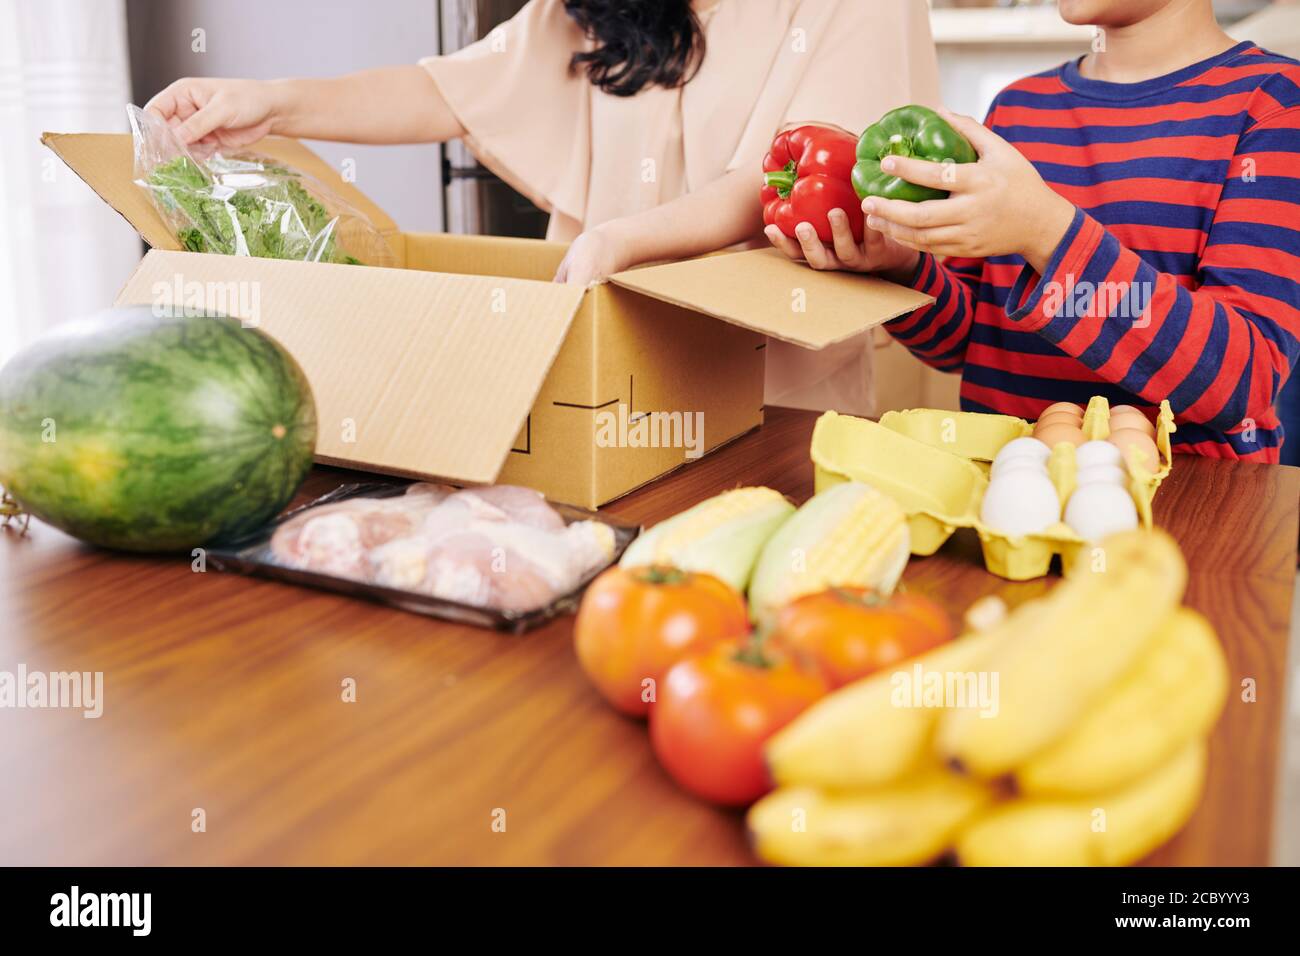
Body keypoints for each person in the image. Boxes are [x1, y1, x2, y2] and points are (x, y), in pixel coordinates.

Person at [144, 0, 940, 417]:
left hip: (776, 404)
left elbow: (785, 177)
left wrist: (619, 239)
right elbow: (446, 88)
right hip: (599, 381)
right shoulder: (603, 8)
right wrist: (273, 103)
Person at [768, 0, 1300, 463]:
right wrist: (903, 266)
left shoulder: (1275, 106)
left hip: (1193, 508)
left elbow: (1242, 378)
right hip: (1002, 492)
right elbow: (971, 344)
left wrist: (1047, 234)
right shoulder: (1018, 109)